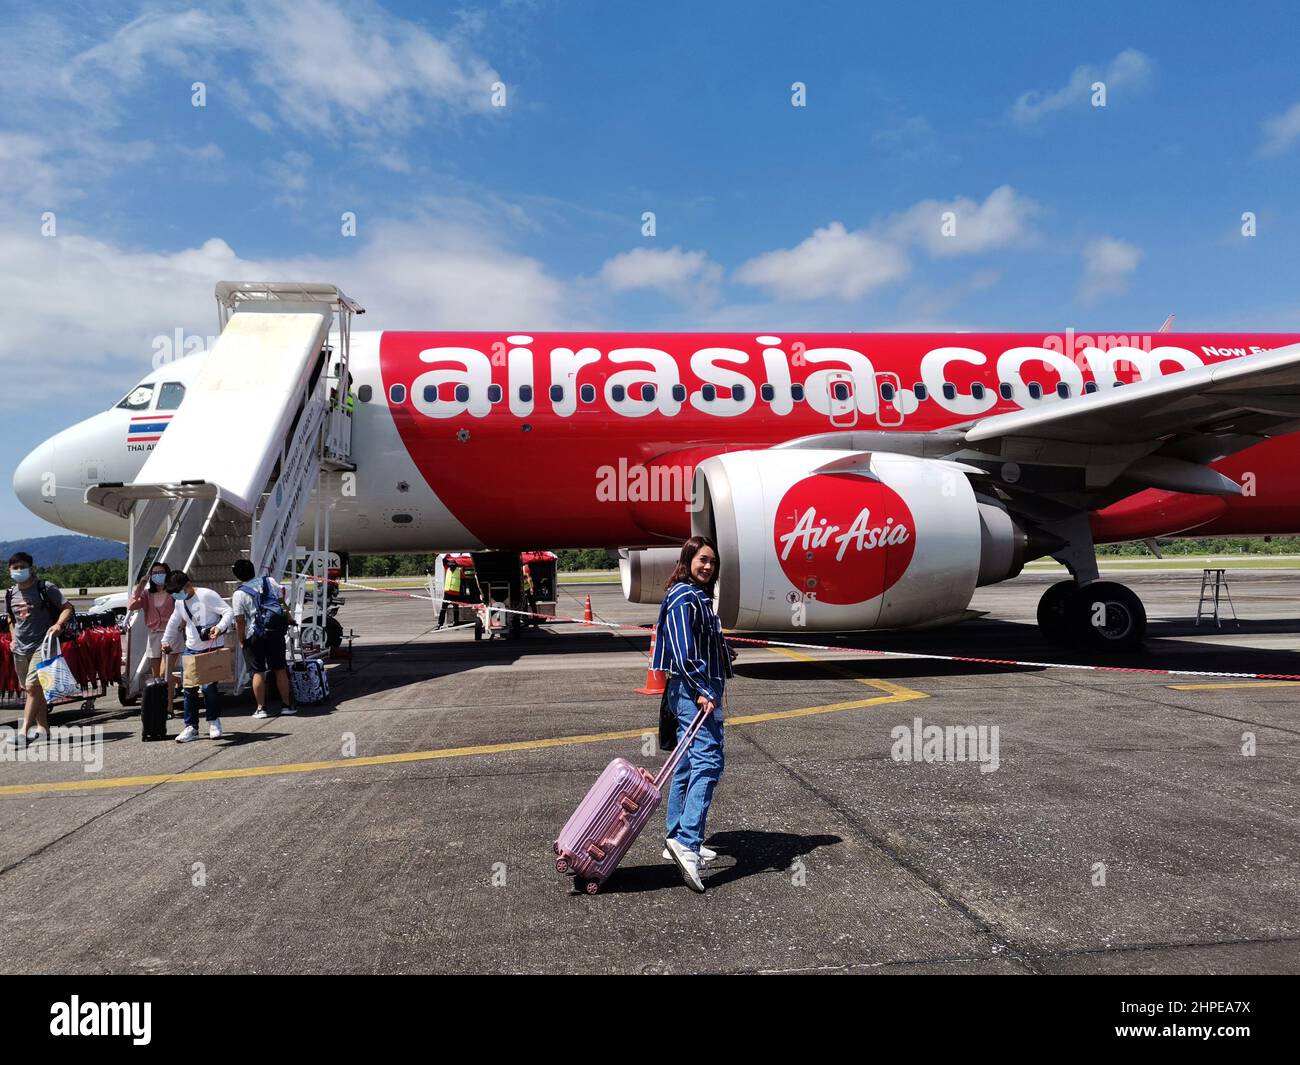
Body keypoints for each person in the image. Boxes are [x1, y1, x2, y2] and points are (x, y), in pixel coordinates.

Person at [651, 535, 733, 892]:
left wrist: (722, 653)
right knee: (709, 762)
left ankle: (675, 837)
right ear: (688, 561)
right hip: (692, 692)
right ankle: (686, 841)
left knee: (686, 764)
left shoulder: (696, 596)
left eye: (712, 561)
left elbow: (696, 642)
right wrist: (703, 689)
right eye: (702, 559)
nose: (708, 566)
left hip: (693, 690)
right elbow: (684, 652)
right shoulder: (685, 595)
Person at [4, 552, 74, 742]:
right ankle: (43, 729)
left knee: (32, 687)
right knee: (33, 691)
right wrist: (13, 639)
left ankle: (23, 732)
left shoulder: (45, 587)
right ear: (9, 570)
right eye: (15, 567)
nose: (19, 570)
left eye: (22, 566)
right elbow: (11, 618)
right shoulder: (10, 593)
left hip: (41, 645)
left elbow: (67, 607)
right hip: (19, 648)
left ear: (31, 568)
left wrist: (58, 625)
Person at [160, 570, 233, 743]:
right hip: (191, 648)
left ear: (187, 585)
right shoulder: (180, 602)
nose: (176, 596)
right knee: (189, 690)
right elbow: (174, 621)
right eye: (173, 593)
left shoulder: (207, 595)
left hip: (210, 647)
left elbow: (228, 612)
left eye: (177, 591)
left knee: (208, 688)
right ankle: (191, 727)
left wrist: (220, 627)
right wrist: (165, 640)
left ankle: (213, 721)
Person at [230, 559, 295, 719]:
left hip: (255, 634)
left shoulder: (239, 594)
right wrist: (289, 617)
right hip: (275, 632)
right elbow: (281, 602)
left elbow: (240, 621)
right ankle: (286, 705)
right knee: (280, 668)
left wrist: (241, 639)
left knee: (258, 672)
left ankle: (261, 708)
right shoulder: (270, 581)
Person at [127, 561, 176, 702]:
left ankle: (168, 700)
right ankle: (161, 698)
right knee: (156, 674)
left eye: (161, 572)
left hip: (170, 634)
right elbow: (131, 605)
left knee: (165, 670)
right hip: (153, 634)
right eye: (154, 573)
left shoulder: (172, 592)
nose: (157, 575)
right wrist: (141, 585)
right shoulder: (147, 594)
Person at [437, 557, 463, 628]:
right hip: (447, 593)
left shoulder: (459, 571)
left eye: (452, 565)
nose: (451, 567)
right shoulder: (447, 569)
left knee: (455, 609)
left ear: (455, 565)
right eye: (450, 565)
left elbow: (462, 582)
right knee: (443, 609)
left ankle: (456, 623)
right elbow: (443, 560)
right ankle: (440, 623)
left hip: (455, 593)